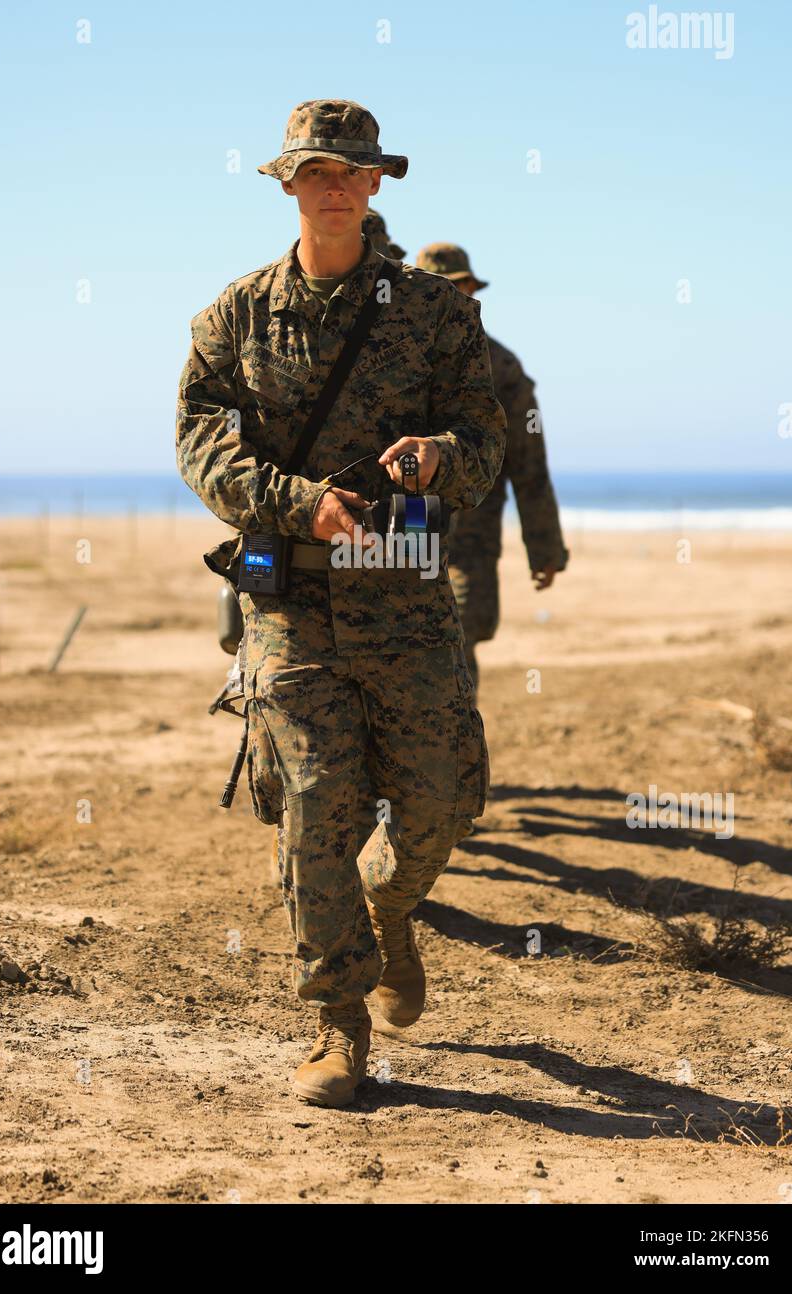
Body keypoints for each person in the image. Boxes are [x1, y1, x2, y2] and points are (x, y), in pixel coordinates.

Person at [176, 100, 506, 1108]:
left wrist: (440, 455)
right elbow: (200, 438)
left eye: (348, 170)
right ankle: (337, 1024)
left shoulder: (435, 311)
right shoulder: (233, 315)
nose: (330, 184)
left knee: (444, 802)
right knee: (318, 806)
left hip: (407, 596)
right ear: (287, 182)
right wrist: (290, 503)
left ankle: (384, 906)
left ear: (374, 186)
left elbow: (487, 441)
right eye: (312, 168)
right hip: (295, 608)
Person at [415, 243, 568, 690]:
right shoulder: (394, 362)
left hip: (470, 548)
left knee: (457, 654)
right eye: (441, 290)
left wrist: (545, 551)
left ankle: (456, 756)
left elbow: (530, 468)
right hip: (402, 541)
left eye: (461, 289)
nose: (455, 299)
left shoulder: (500, 369)